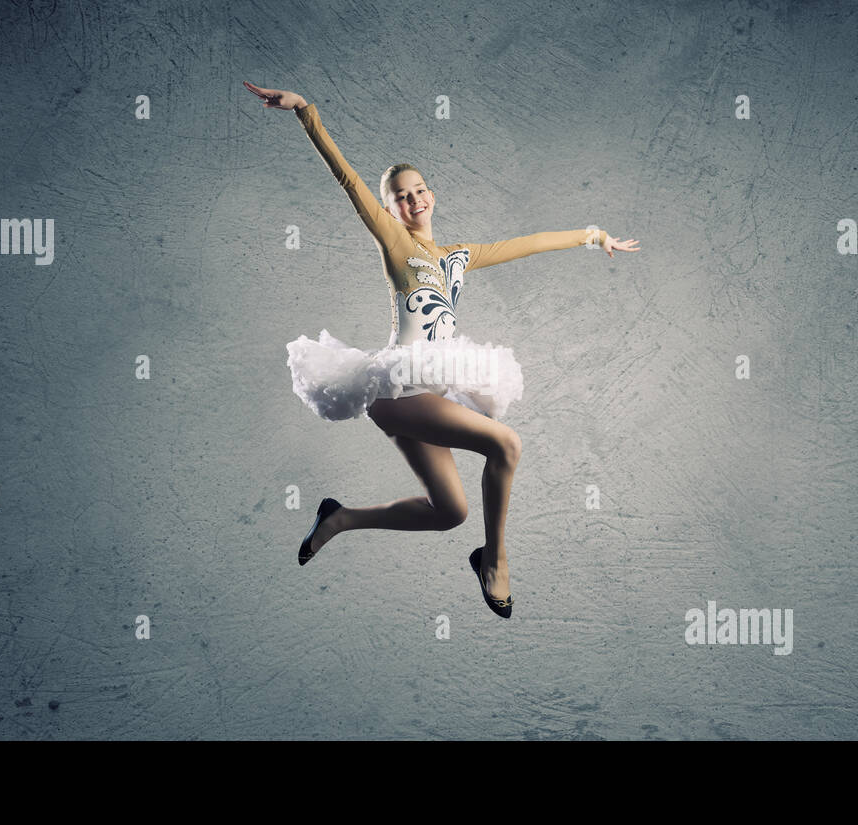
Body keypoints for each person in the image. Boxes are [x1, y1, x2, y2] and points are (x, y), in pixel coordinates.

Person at [244, 81, 640, 617]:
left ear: (432, 194)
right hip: (394, 387)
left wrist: (594, 237)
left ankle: (340, 518)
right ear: (392, 209)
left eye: (419, 190)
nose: (413, 200)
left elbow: (528, 243)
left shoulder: (458, 255)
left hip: (423, 394)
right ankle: (494, 559)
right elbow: (348, 178)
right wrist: (304, 112)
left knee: (449, 511)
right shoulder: (395, 241)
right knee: (506, 444)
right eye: (401, 196)